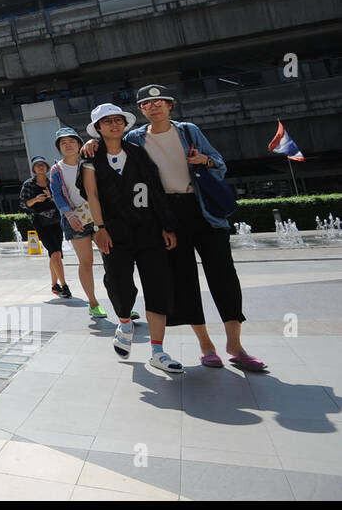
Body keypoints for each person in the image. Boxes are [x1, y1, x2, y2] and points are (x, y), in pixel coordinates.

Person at [84, 85, 263, 370]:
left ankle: (235, 345)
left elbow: (219, 164)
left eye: (159, 102)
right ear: (141, 110)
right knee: (183, 281)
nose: (154, 107)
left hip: (202, 209)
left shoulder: (189, 131)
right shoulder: (135, 138)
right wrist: (89, 145)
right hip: (166, 215)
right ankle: (206, 347)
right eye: (147, 104)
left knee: (223, 275)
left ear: (170, 106)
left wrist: (203, 160)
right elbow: (108, 145)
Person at [78, 103, 182, 373]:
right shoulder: (91, 159)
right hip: (114, 232)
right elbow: (93, 196)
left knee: (158, 285)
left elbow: (155, 189)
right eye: (107, 121)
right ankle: (124, 323)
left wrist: (165, 225)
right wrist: (99, 228)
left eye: (118, 120)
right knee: (119, 283)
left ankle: (158, 351)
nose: (114, 125)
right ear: (98, 128)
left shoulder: (138, 153)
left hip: (148, 229)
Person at [48, 127, 109, 318]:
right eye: (63, 143)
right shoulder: (56, 170)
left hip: (99, 216)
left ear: (79, 144)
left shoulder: (90, 161)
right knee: (86, 262)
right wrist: (69, 215)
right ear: (59, 147)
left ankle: (121, 300)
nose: (68, 145)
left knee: (111, 259)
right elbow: (57, 195)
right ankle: (93, 302)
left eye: (71, 141)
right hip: (76, 220)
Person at [20, 156, 69, 299]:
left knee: (56, 254)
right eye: (37, 165)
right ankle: (65, 285)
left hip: (56, 222)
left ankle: (55, 285)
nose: (41, 167)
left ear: (47, 168)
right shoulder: (29, 185)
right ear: (34, 169)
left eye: (43, 165)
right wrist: (36, 199)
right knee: (54, 253)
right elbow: (23, 204)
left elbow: (63, 200)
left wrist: (51, 196)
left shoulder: (53, 182)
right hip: (41, 223)